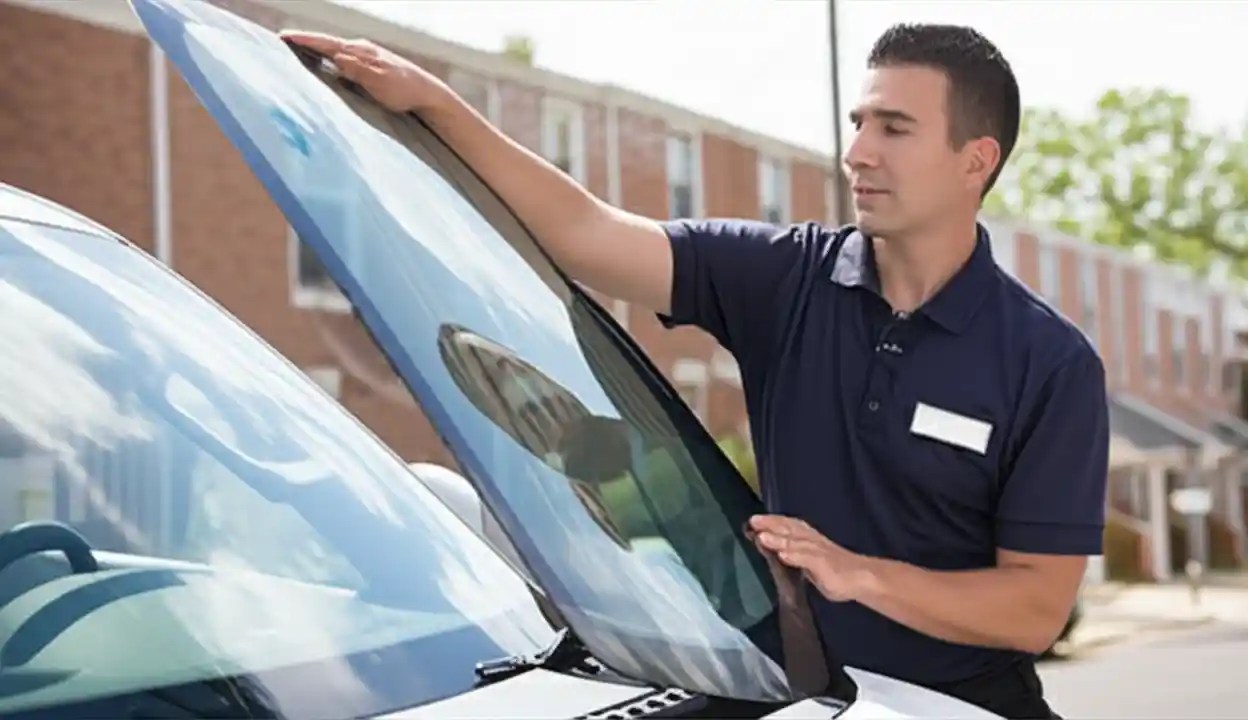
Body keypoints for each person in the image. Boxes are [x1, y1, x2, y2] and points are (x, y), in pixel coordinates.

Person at [282, 21, 1107, 719]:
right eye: (857, 122)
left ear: (975, 160)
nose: (857, 151)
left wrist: (860, 576)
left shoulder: (1049, 364)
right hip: (808, 703)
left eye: (894, 128)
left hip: (963, 710)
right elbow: (586, 232)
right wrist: (431, 102)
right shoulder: (786, 282)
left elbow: (1033, 608)